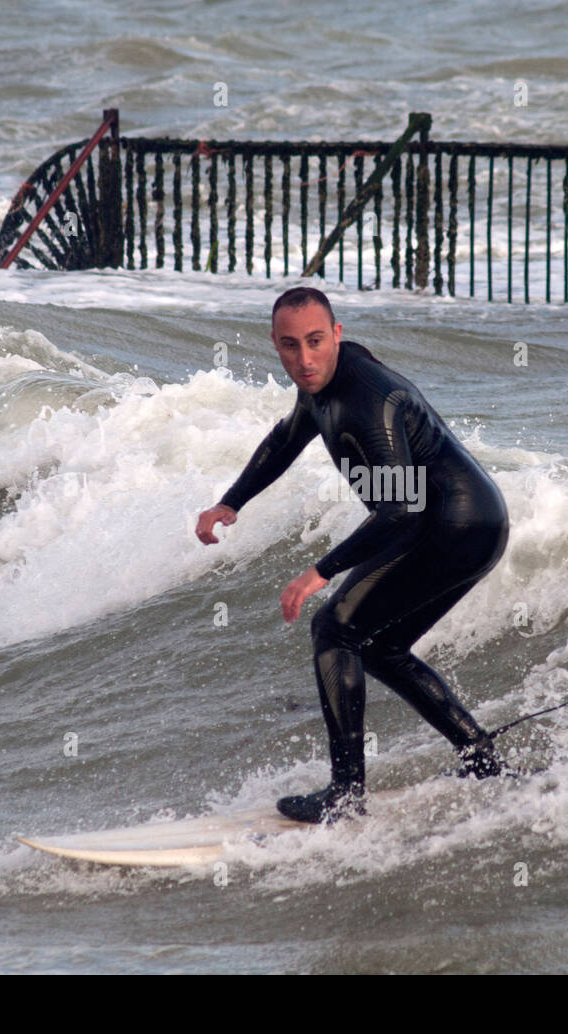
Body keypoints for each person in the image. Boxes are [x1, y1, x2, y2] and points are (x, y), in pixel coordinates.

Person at [195, 287, 510, 823]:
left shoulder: (367, 401)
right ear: (275, 344)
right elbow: (288, 437)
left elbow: (400, 511)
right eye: (290, 346)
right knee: (380, 645)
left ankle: (346, 796)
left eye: (316, 342)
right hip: (462, 521)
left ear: (337, 335)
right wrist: (232, 501)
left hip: (454, 525)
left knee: (335, 629)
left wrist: (320, 572)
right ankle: (481, 760)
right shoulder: (322, 382)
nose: (305, 359)